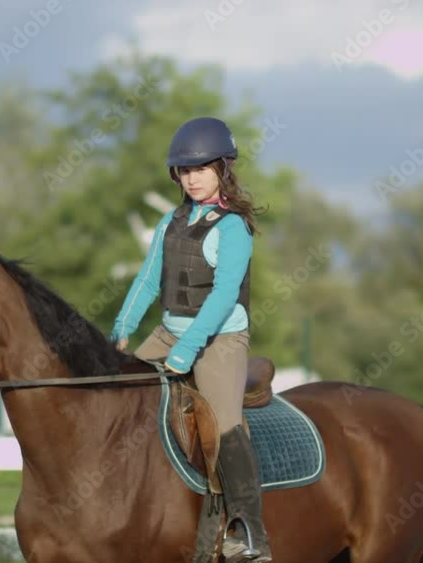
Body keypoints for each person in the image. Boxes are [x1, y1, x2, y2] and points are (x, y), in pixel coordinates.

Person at [111, 116, 271, 562]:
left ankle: (248, 530)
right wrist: (122, 328)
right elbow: (147, 280)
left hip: (220, 338)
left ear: (222, 168)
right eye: (184, 171)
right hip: (168, 331)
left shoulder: (233, 227)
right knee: (118, 391)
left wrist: (187, 350)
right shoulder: (171, 221)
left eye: (201, 169)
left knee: (222, 423)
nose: (192, 178)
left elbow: (222, 298)